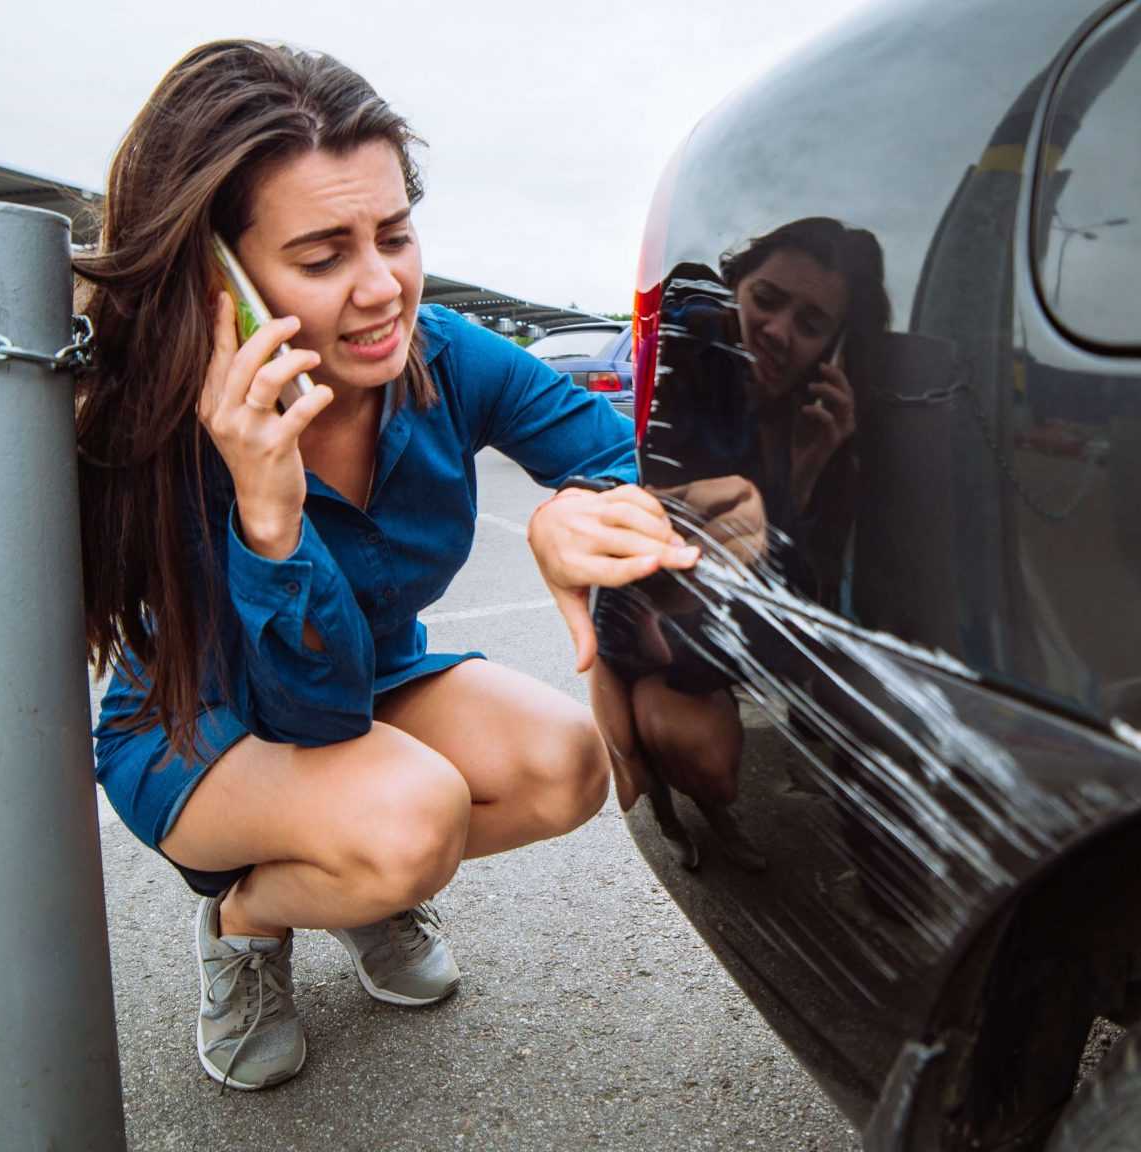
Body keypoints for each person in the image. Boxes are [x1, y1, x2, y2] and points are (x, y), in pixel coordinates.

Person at [75, 39, 697, 1092]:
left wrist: (576, 512)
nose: (381, 290)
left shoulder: (446, 355)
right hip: (199, 721)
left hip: (371, 682)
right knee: (407, 824)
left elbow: (617, 454)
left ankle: (352, 880)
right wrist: (269, 516)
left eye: (395, 235)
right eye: (322, 257)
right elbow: (305, 711)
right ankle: (244, 922)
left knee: (565, 765)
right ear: (217, 279)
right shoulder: (157, 428)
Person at [590, 218, 888, 865]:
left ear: (833, 348)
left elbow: (796, 588)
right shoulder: (689, 372)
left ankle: (708, 807)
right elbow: (701, 577)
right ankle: (672, 804)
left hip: (712, 630)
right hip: (654, 620)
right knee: (705, 754)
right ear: (735, 290)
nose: (778, 331)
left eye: (810, 324)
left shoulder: (822, 423)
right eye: (766, 300)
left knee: (720, 755)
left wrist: (809, 470)